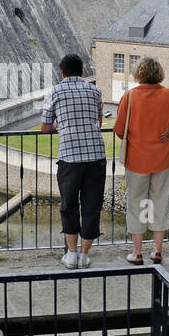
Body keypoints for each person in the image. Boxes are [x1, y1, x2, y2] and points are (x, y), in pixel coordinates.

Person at [113, 57, 169, 264]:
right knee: (159, 201)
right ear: (159, 73)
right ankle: (158, 251)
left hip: (137, 160)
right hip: (163, 157)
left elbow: (118, 130)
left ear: (138, 73)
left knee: (138, 203)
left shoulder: (130, 96)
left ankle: (137, 252)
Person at [40, 53, 106, 269]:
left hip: (70, 157)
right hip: (96, 155)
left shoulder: (55, 92)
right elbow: (98, 121)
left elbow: (45, 127)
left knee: (69, 205)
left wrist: (61, 125)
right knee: (91, 205)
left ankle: (71, 254)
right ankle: (85, 255)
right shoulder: (95, 90)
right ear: (82, 72)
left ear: (62, 73)